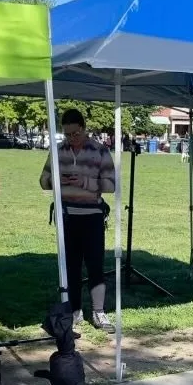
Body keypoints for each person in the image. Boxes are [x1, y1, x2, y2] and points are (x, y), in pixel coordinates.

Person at [40, 108, 115, 330]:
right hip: (66, 216)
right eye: (67, 134)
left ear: (84, 128)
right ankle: (74, 311)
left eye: (75, 133)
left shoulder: (100, 151)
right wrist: (57, 180)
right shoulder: (57, 151)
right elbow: (43, 180)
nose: (71, 138)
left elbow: (111, 185)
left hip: (92, 216)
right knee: (71, 267)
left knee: (95, 265)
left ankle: (99, 312)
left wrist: (85, 182)